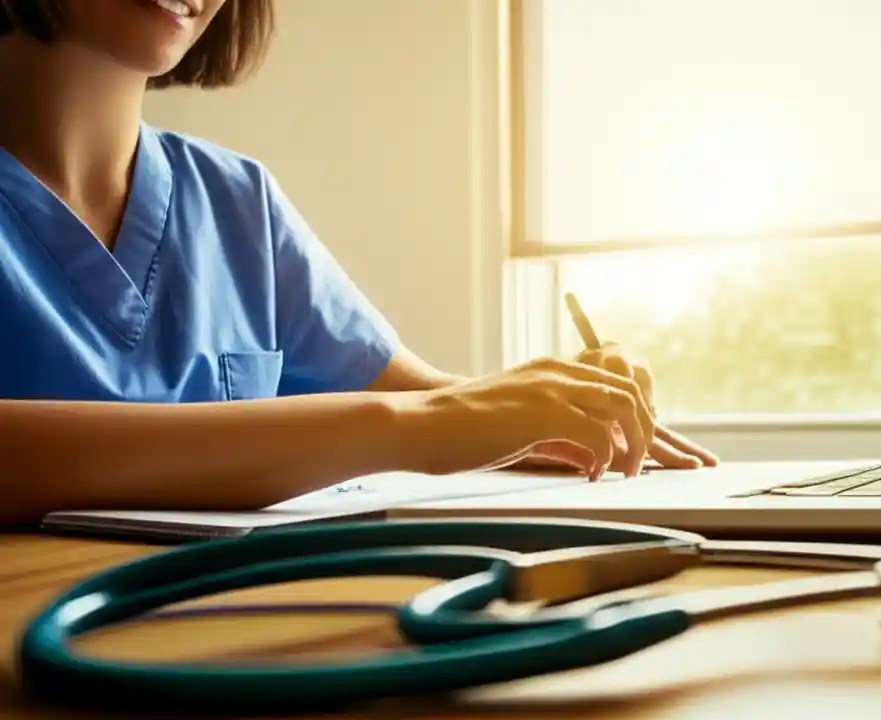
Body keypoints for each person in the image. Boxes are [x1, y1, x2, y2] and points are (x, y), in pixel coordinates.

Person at [0, 0, 717, 526]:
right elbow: (424, 415)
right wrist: (420, 425)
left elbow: (431, 397)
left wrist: (557, 410)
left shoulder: (238, 201)